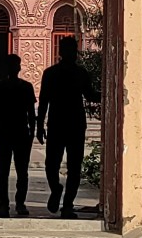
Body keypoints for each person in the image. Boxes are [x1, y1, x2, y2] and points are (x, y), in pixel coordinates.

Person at [36, 35, 99, 219]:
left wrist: (110, 91)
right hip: (65, 123)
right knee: (54, 164)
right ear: (63, 52)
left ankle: (67, 203)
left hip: (68, 124)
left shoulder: (78, 73)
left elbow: (89, 95)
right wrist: (39, 125)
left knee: (70, 166)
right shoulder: (53, 73)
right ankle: (58, 192)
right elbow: (44, 100)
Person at [0, 54, 36, 218]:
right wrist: (32, 131)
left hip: (9, 131)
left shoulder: (1, 86)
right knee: (18, 170)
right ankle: (17, 203)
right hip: (17, 131)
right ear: (18, 67)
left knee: (6, 170)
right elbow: (31, 112)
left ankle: (6, 204)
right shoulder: (23, 86)